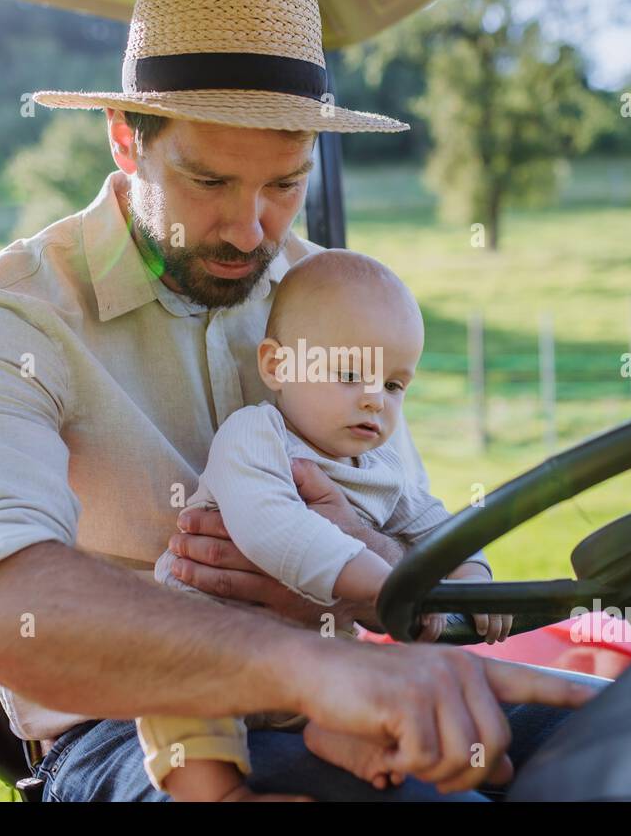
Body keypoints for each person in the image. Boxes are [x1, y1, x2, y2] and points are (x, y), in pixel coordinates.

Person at [0, 0, 589, 803]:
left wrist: (361, 575)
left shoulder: (329, 296)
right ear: (126, 138)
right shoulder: (6, 319)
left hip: (358, 676)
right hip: (134, 733)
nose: (246, 228)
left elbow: (414, 538)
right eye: (208, 180)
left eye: (285, 184)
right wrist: (301, 663)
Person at [137, 250, 515, 801]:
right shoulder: (255, 436)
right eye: (349, 374)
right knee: (175, 685)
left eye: (394, 385)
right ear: (276, 366)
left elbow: (435, 526)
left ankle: (343, 733)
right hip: (207, 648)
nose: (373, 398)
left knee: (370, 676)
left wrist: (473, 576)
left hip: (309, 667)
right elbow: (275, 529)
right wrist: (389, 586)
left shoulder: (380, 466)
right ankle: (219, 793)